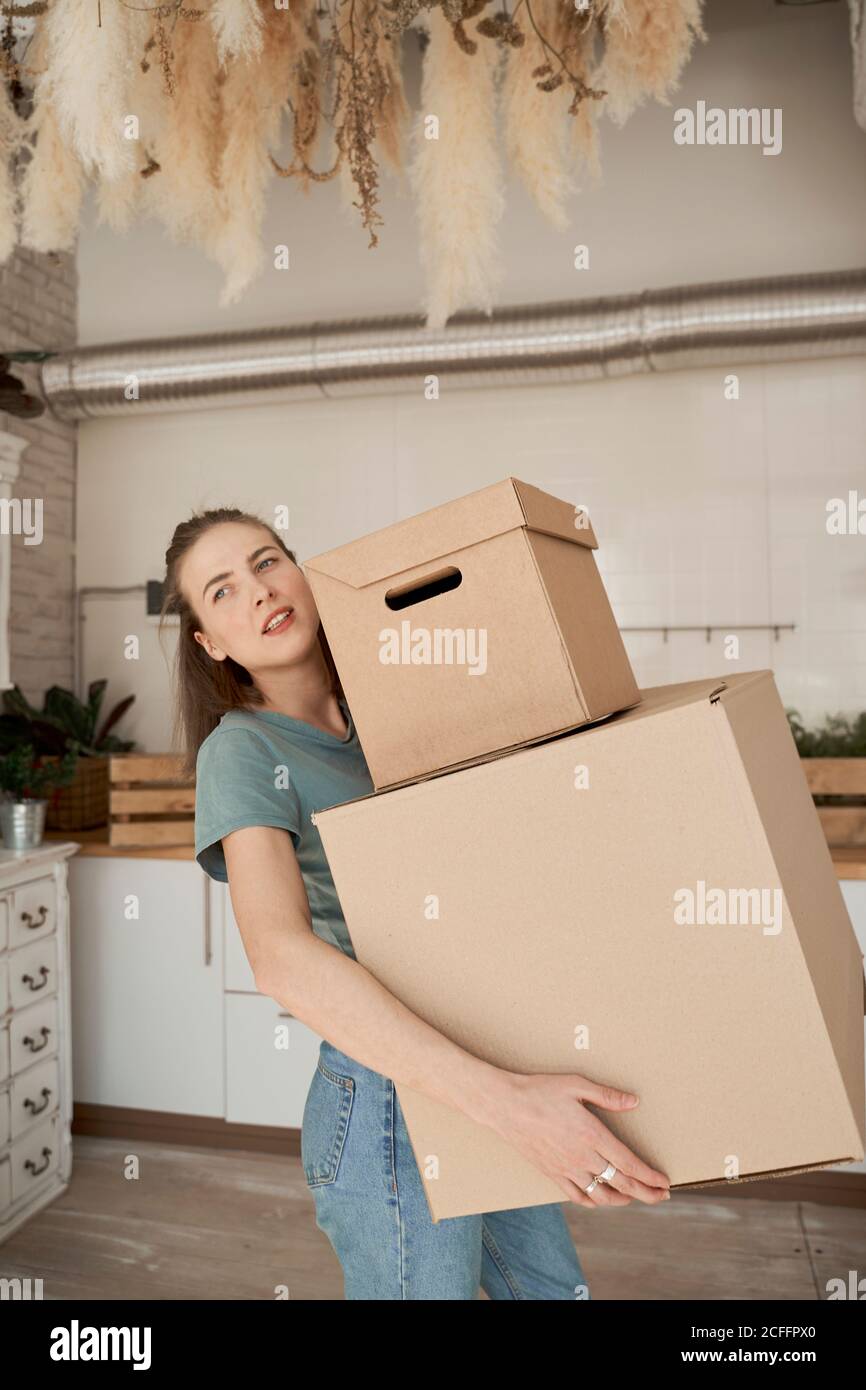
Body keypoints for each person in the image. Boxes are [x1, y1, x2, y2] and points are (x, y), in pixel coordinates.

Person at [162, 505, 671, 1301]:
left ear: (304, 572)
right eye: (222, 592)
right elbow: (281, 959)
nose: (258, 593)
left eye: (267, 563)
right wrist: (503, 1103)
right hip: (385, 1096)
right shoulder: (243, 751)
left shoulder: (392, 704)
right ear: (211, 643)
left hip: (477, 1048)